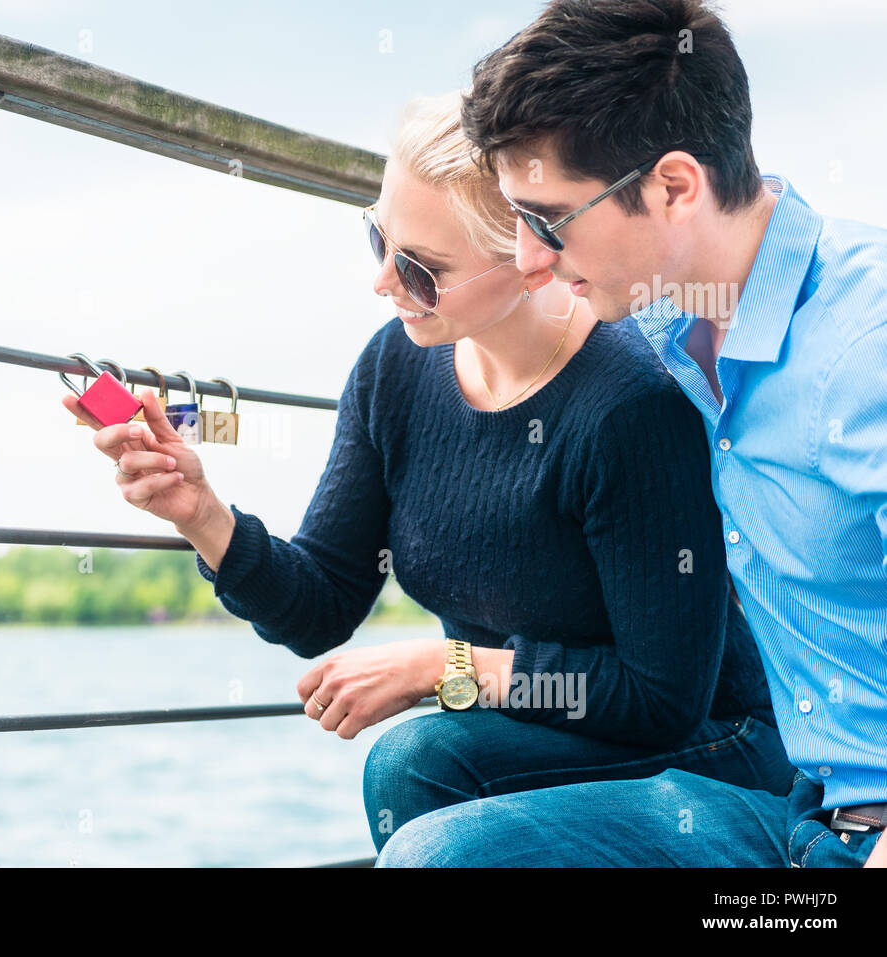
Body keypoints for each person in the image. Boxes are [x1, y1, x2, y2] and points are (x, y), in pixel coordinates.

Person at [60, 91, 791, 856]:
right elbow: (321, 606)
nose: (382, 282)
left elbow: (658, 700)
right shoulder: (394, 368)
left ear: (534, 259)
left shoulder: (630, 407)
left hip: (712, 742)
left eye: (420, 268)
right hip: (541, 727)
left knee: (415, 765)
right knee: (415, 766)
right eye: (378, 236)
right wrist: (200, 512)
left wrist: (447, 667)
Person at [371, 0, 887, 868]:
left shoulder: (863, 351)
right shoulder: (668, 326)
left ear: (675, 187)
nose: (530, 260)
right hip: (797, 816)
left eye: (545, 220)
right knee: (433, 830)